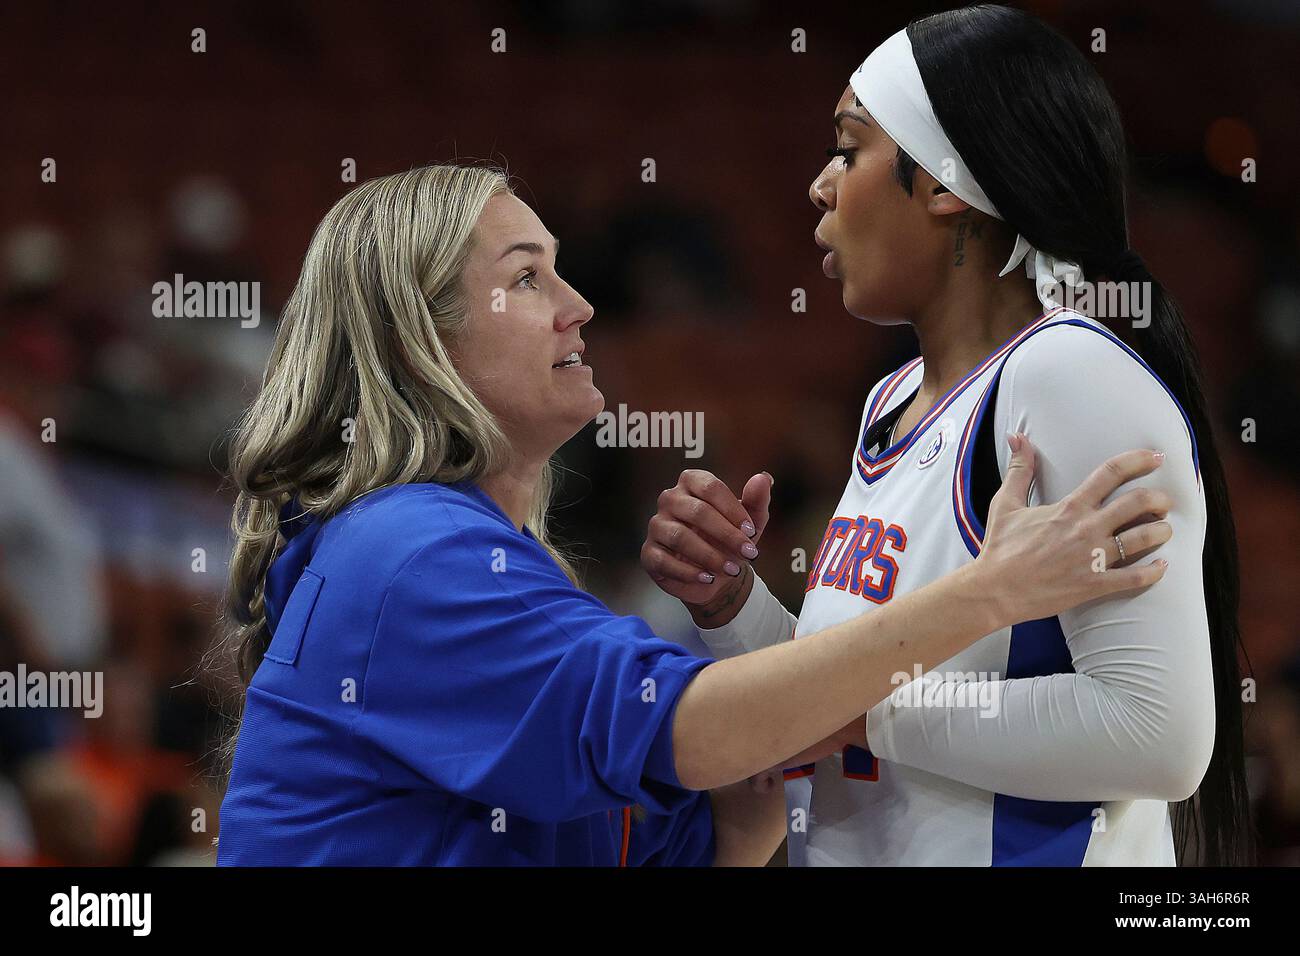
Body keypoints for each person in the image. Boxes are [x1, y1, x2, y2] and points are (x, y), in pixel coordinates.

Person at [215, 163, 1170, 866]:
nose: (580, 305)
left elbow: (726, 811)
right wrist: (990, 594)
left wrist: (738, 621)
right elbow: (702, 732)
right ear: (419, 340)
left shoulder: (457, 557)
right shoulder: (407, 552)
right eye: (525, 279)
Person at [642, 6, 1250, 866]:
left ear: (943, 184)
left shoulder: (1067, 374)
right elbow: (856, 698)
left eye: (849, 150)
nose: (820, 185)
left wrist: (859, 706)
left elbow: (1158, 736)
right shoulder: (889, 398)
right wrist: (731, 606)